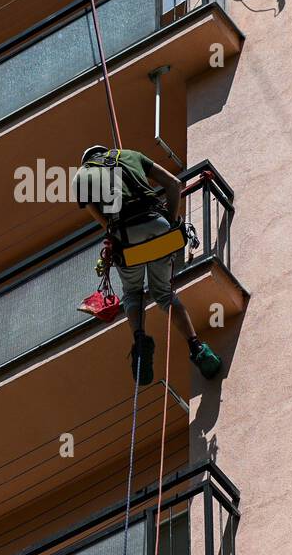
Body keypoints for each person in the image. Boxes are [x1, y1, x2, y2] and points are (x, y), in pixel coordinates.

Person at [74, 145, 223, 384]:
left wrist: (115, 235)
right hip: (159, 227)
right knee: (164, 294)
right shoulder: (131, 155)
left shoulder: (81, 175)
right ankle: (197, 347)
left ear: (87, 160)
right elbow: (174, 184)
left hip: (127, 237)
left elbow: (100, 217)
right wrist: (172, 223)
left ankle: (140, 340)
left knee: (133, 293)